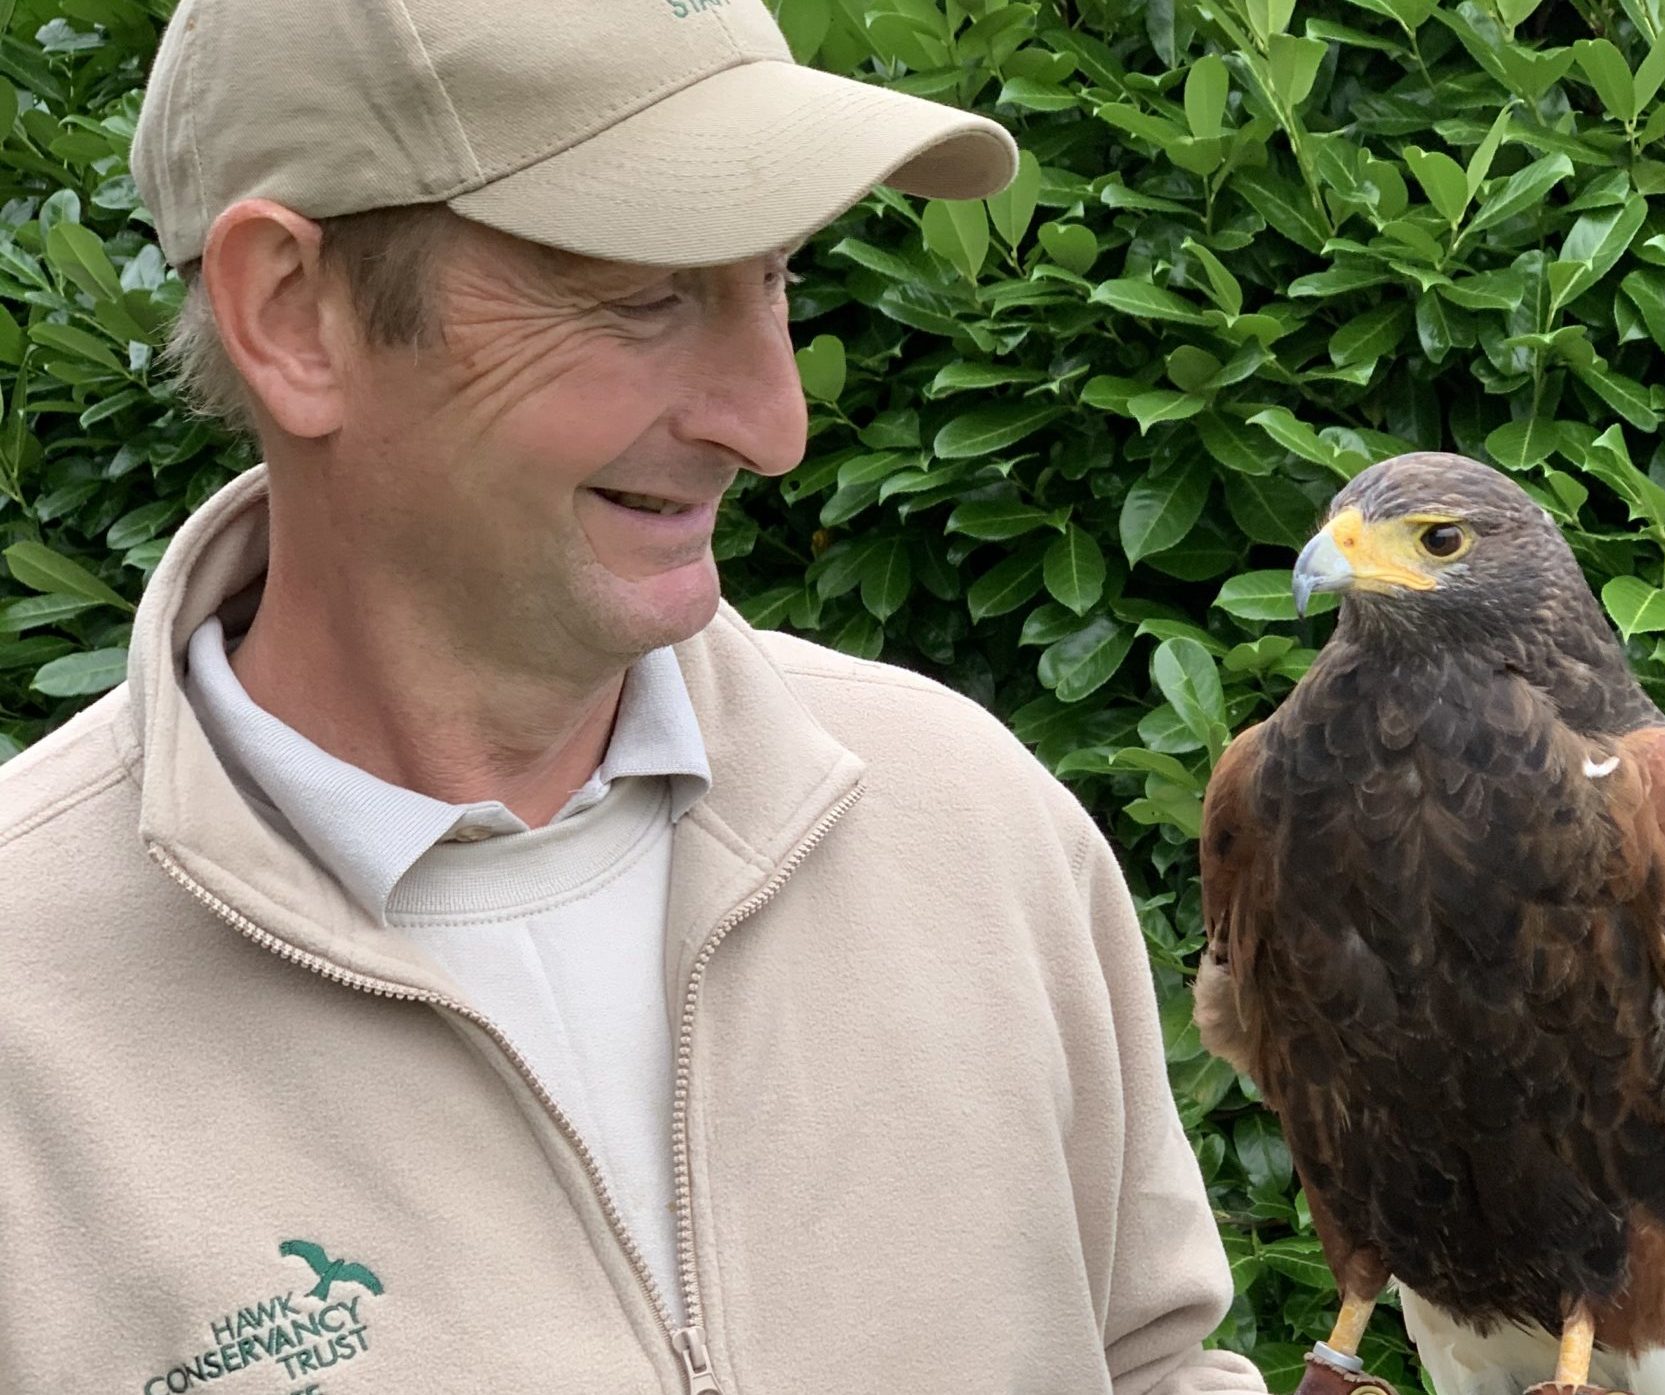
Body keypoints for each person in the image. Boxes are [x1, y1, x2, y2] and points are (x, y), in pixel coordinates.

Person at [0, 1, 1268, 1392]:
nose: (772, 425)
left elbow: (1151, 1363)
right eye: (646, 292)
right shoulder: (31, 1019)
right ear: (293, 317)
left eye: (775, 278)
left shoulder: (966, 821)